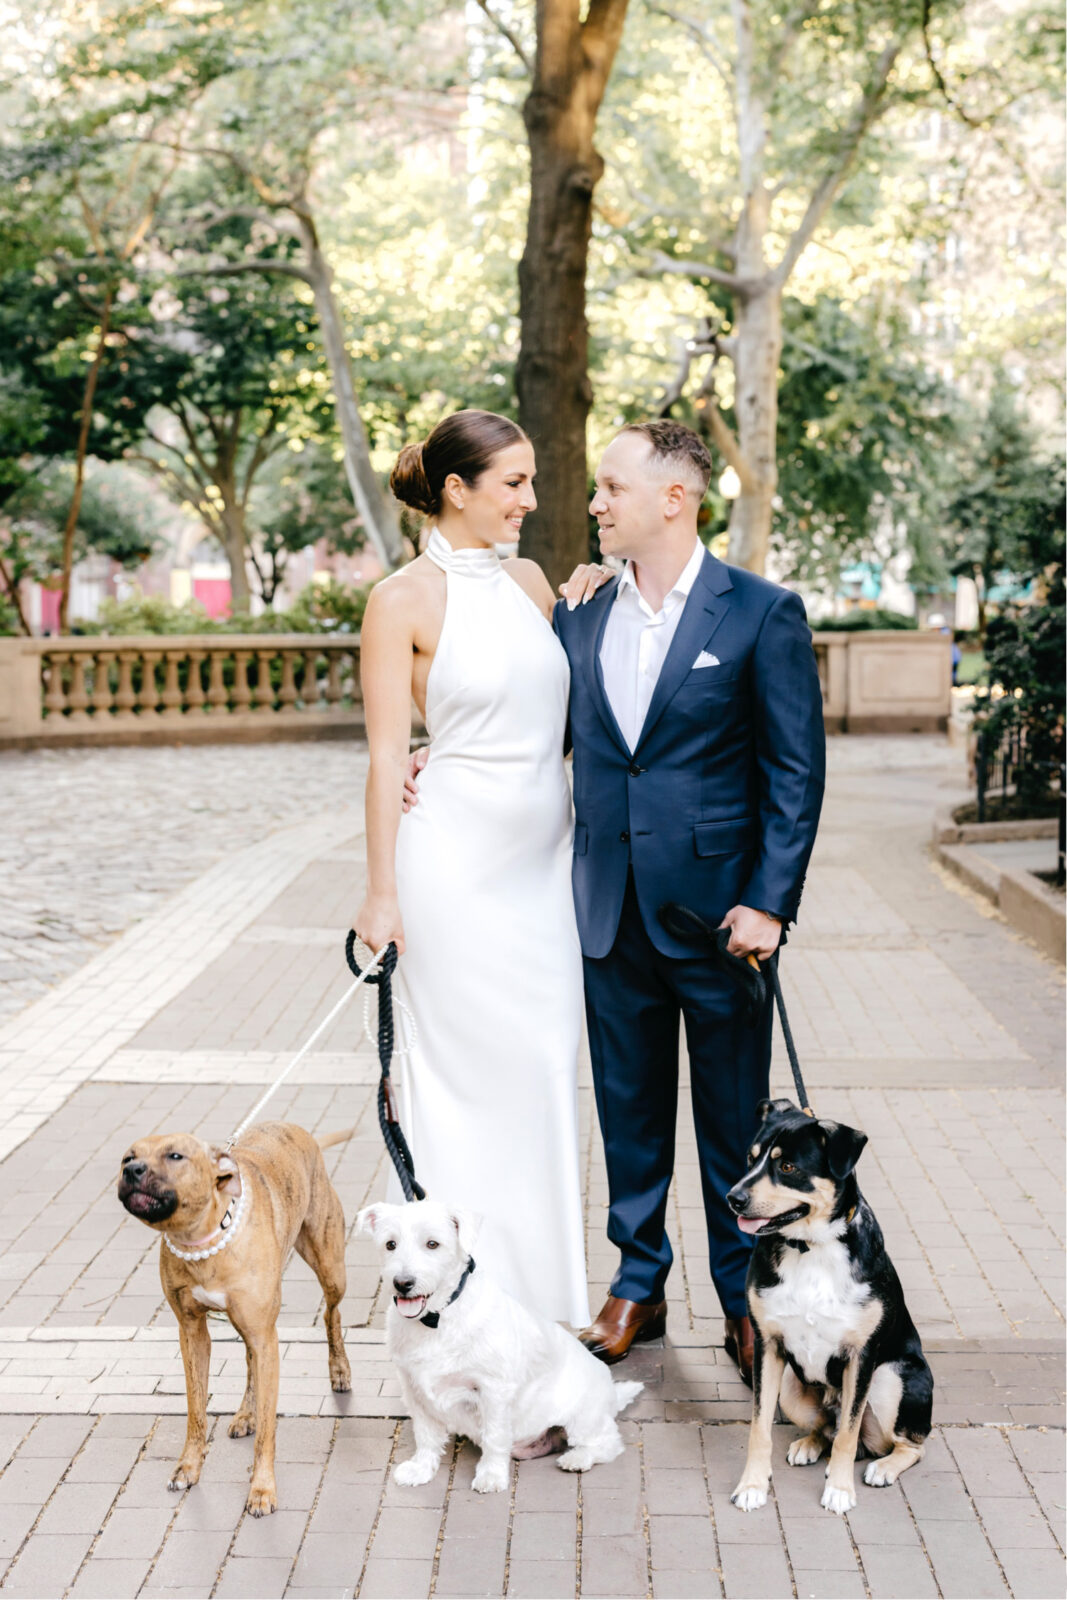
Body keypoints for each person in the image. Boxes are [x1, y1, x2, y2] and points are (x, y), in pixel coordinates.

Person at [553, 420, 825, 1380]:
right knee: (626, 1117)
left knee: (729, 1127)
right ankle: (637, 1286)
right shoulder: (578, 613)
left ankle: (743, 1298)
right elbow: (540, 741)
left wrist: (769, 902)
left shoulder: (759, 613)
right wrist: (436, 759)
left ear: (674, 497)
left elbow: (793, 772)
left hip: (721, 922)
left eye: (610, 487)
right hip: (608, 911)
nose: (594, 504)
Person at [354, 409, 589, 1328]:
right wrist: (380, 895)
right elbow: (383, 756)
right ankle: (455, 1319)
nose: (531, 501)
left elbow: (573, 717)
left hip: (544, 875)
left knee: (539, 1078)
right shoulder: (399, 601)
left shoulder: (533, 582)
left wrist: (597, 594)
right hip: (448, 871)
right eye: (514, 484)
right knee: (454, 1093)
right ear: (457, 490)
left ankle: (541, 1314)